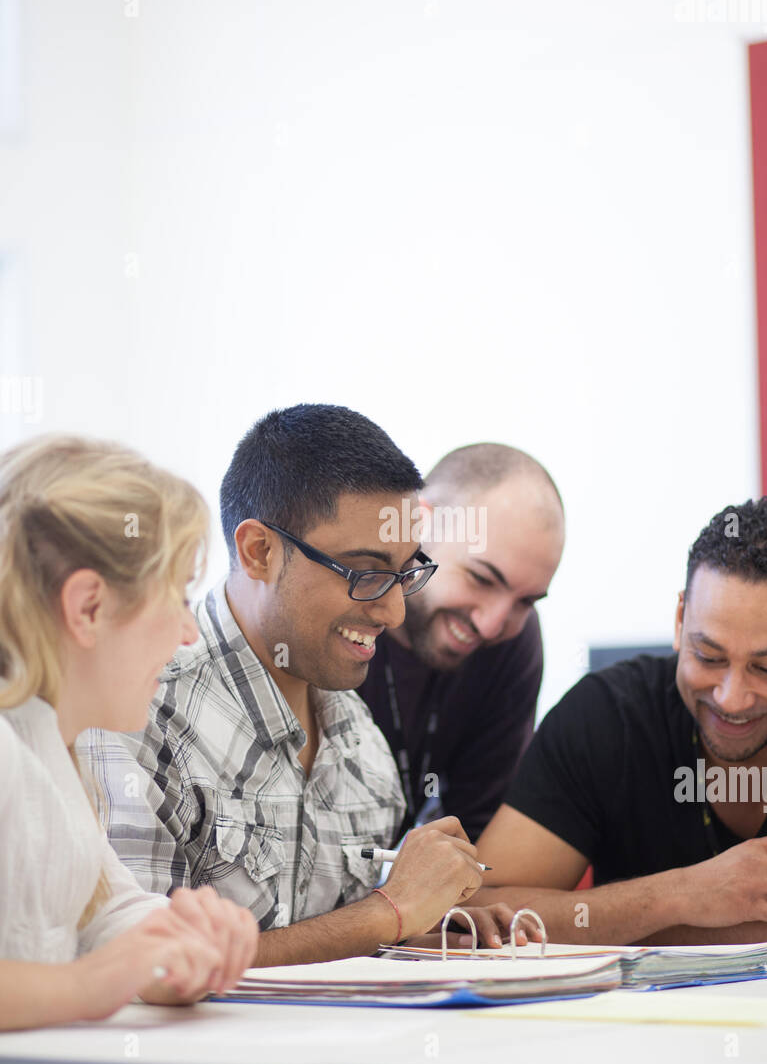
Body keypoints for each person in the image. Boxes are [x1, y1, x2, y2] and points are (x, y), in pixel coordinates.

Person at [83, 406, 520, 962]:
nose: (391, 611)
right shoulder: (137, 708)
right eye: (366, 572)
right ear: (259, 552)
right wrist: (389, 911)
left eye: (406, 572)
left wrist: (423, 928)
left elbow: (347, 936)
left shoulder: (363, 744)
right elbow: (139, 965)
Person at [472, 498, 767, 963]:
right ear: (681, 621)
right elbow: (470, 911)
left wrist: (607, 930)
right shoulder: (606, 713)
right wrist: (679, 893)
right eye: (709, 656)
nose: (730, 697)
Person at [0, 433, 258, 1034]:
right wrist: (91, 985)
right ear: (88, 608)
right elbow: (90, 972)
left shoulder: (52, 750)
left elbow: (103, 912)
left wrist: (179, 947)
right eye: (176, 597)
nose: (189, 633)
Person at [357, 443, 564, 841]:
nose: (492, 626)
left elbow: (477, 834)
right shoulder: (333, 616)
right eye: (482, 579)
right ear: (419, 525)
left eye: (526, 602)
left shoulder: (514, 644)